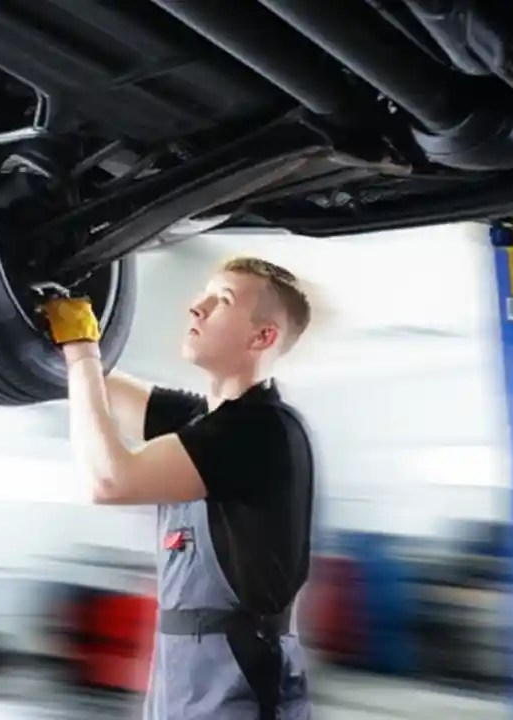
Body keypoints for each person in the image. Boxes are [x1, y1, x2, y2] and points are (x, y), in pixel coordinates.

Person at [41, 256, 318, 719]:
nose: (197, 308)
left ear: (262, 336)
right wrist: (38, 330)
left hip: (239, 694)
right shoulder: (203, 422)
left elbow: (108, 480)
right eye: (203, 294)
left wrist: (82, 350)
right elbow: (97, 389)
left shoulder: (261, 430)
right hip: (184, 685)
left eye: (222, 300)